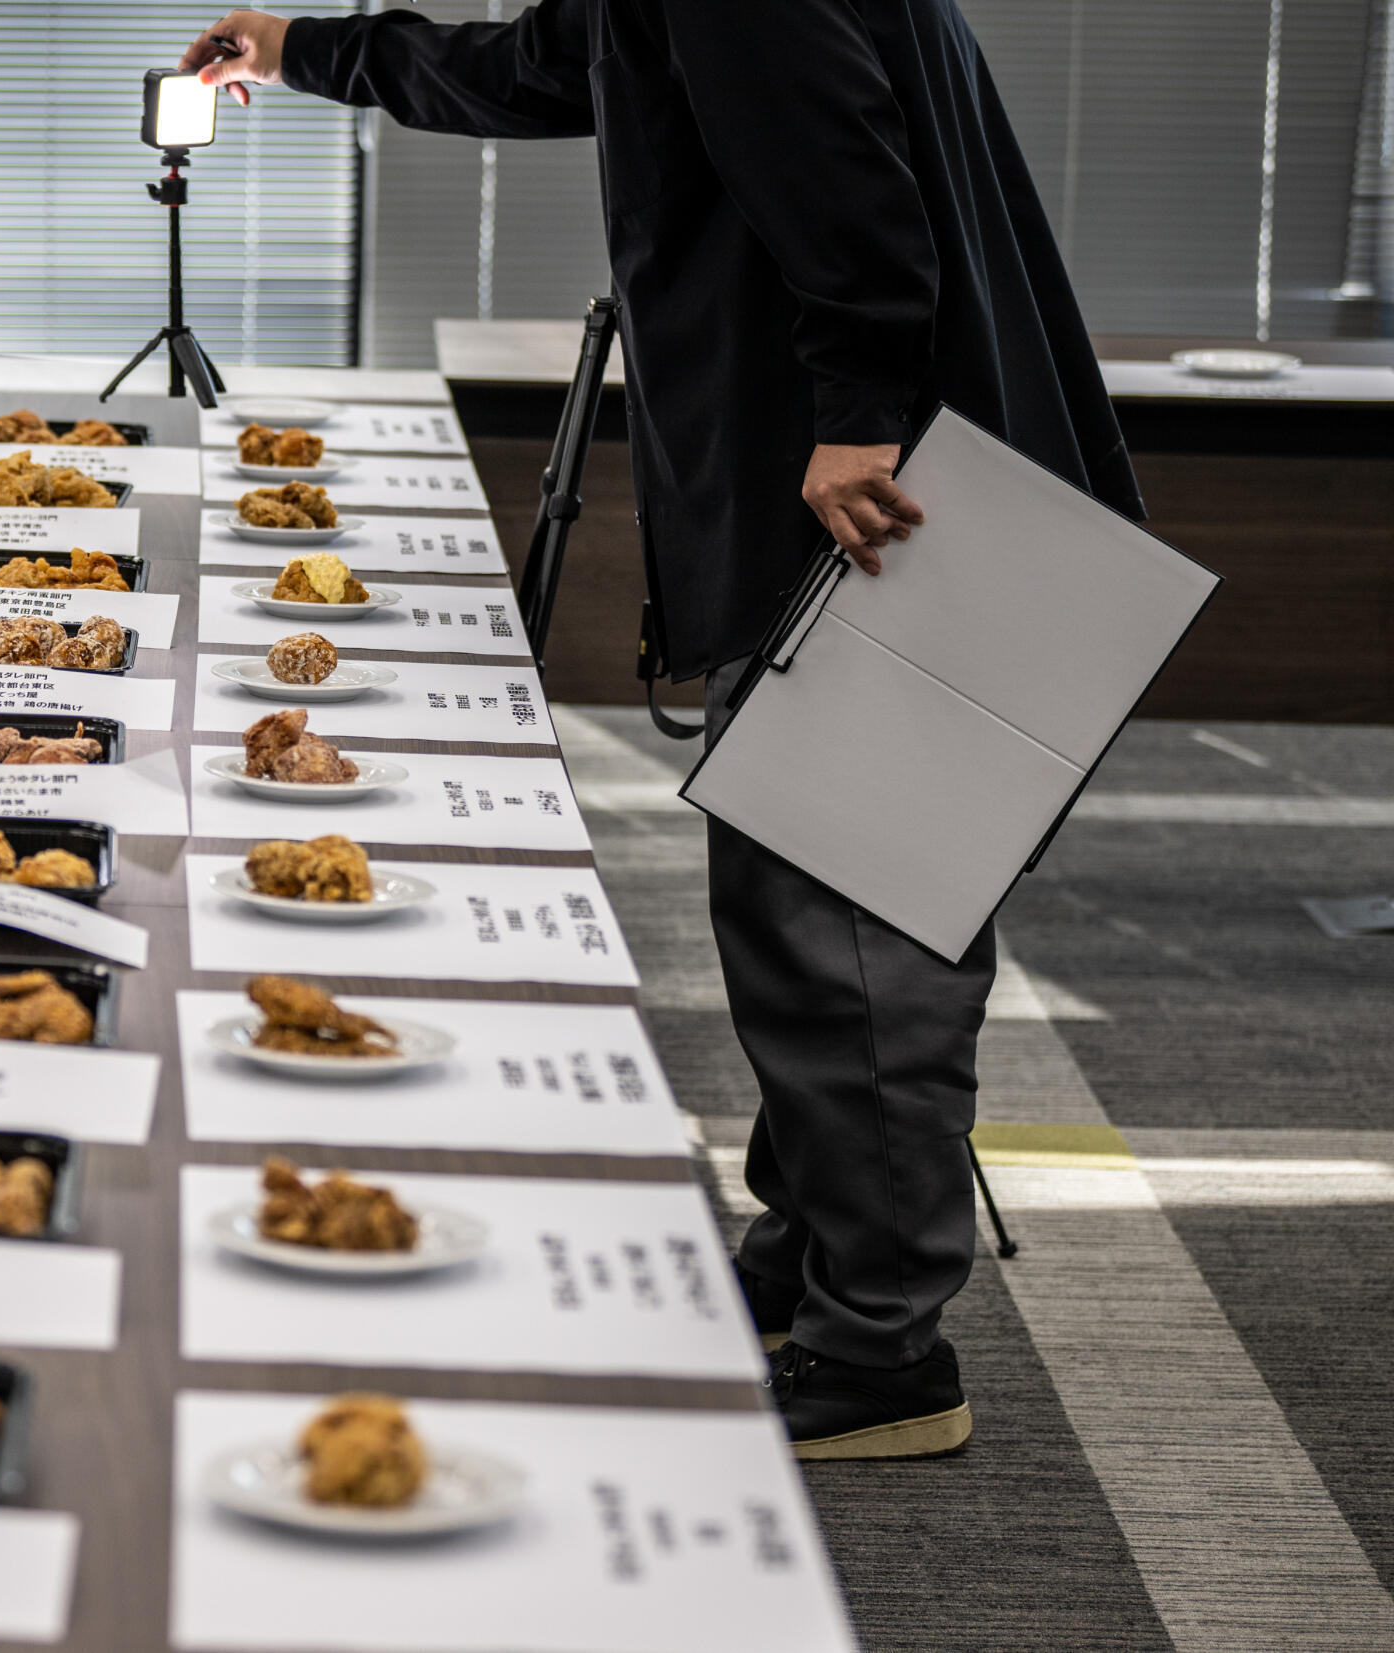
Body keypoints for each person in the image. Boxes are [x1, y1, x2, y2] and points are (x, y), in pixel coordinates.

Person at [183, 1, 1142, 1459]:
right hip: (889, 484)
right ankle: (807, 1257)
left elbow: (843, 176)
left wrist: (864, 412)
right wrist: (305, 47)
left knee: (852, 939)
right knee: (797, 908)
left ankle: (884, 1350)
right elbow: (545, 62)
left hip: (894, 506)